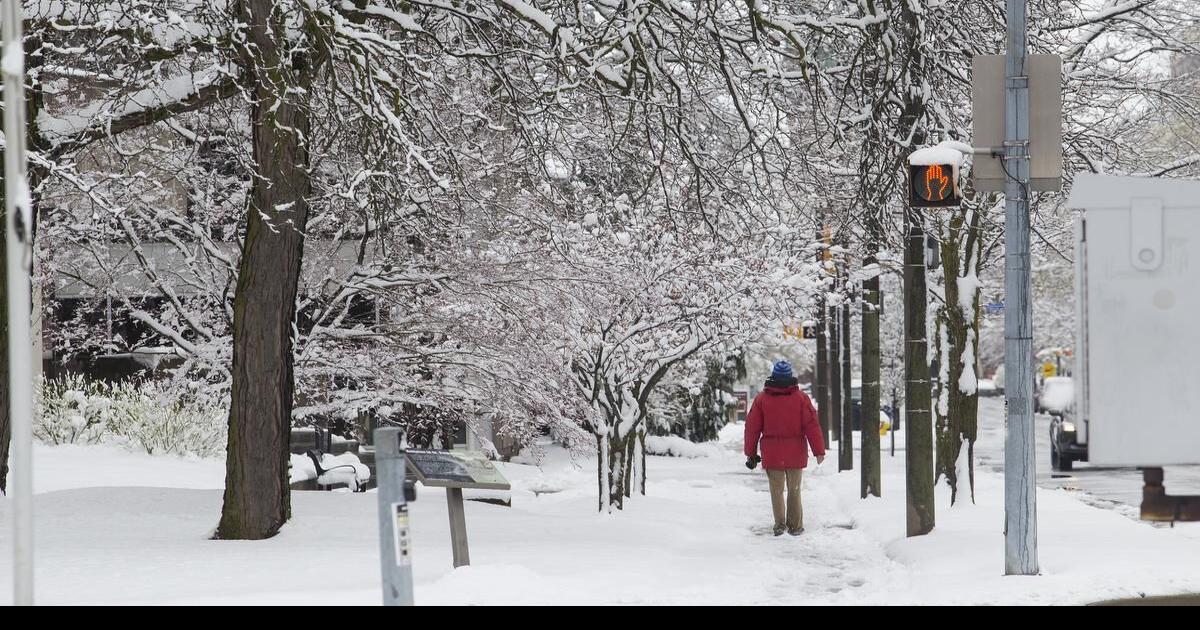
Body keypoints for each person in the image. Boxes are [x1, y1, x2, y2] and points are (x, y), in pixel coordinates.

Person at [744, 360, 826, 536]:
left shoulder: (761, 399)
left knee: (776, 490)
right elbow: (812, 425)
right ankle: (795, 526)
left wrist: (750, 453)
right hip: (795, 451)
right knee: (794, 490)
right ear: (790, 377)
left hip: (772, 452)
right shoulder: (801, 399)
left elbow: (752, 428)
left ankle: (780, 524)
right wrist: (819, 450)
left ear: (773, 377)